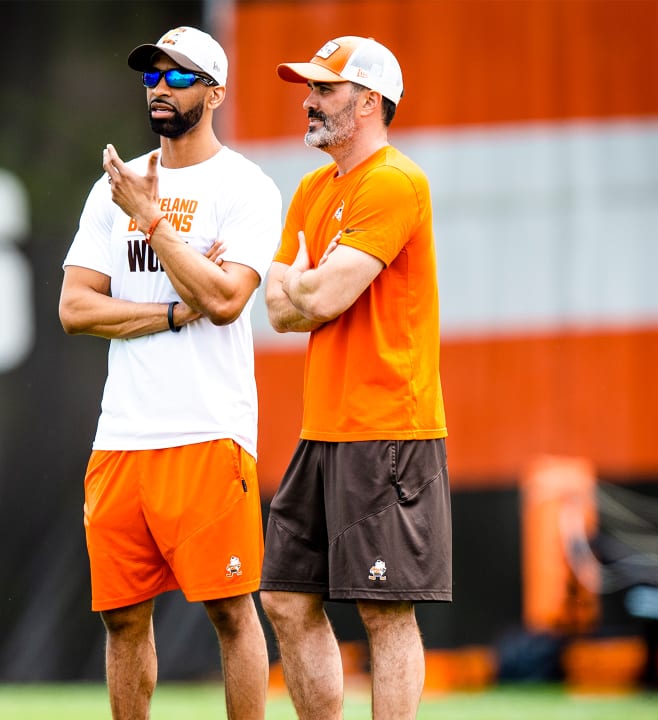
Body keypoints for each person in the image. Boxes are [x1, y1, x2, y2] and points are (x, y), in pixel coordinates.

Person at [58, 25, 281, 720]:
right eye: (152, 75)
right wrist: (171, 313)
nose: (160, 87)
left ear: (214, 93)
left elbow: (224, 298)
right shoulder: (115, 187)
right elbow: (74, 308)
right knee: (123, 619)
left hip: (207, 431)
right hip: (123, 437)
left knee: (230, 611)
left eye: (180, 77)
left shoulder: (244, 186)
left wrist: (152, 221)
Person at [259, 36, 451, 720]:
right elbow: (277, 311)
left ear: (369, 102)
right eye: (309, 88)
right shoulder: (314, 187)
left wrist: (299, 281)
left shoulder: (395, 181)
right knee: (283, 597)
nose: (308, 101)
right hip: (326, 426)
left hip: (388, 427)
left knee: (384, 612)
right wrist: (301, 284)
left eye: (325, 89)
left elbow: (312, 300)